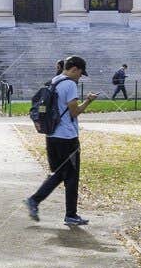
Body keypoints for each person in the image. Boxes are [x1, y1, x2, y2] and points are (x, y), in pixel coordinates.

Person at [24, 54, 96, 227]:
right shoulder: (70, 84)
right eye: (80, 73)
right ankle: (69, 214)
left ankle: (35, 201)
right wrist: (88, 101)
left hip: (52, 135)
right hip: (67, 137)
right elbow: (74, 112)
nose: (80, 76)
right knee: (71, 176)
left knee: (58, 173)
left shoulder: (54, 80)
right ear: (74, 69)